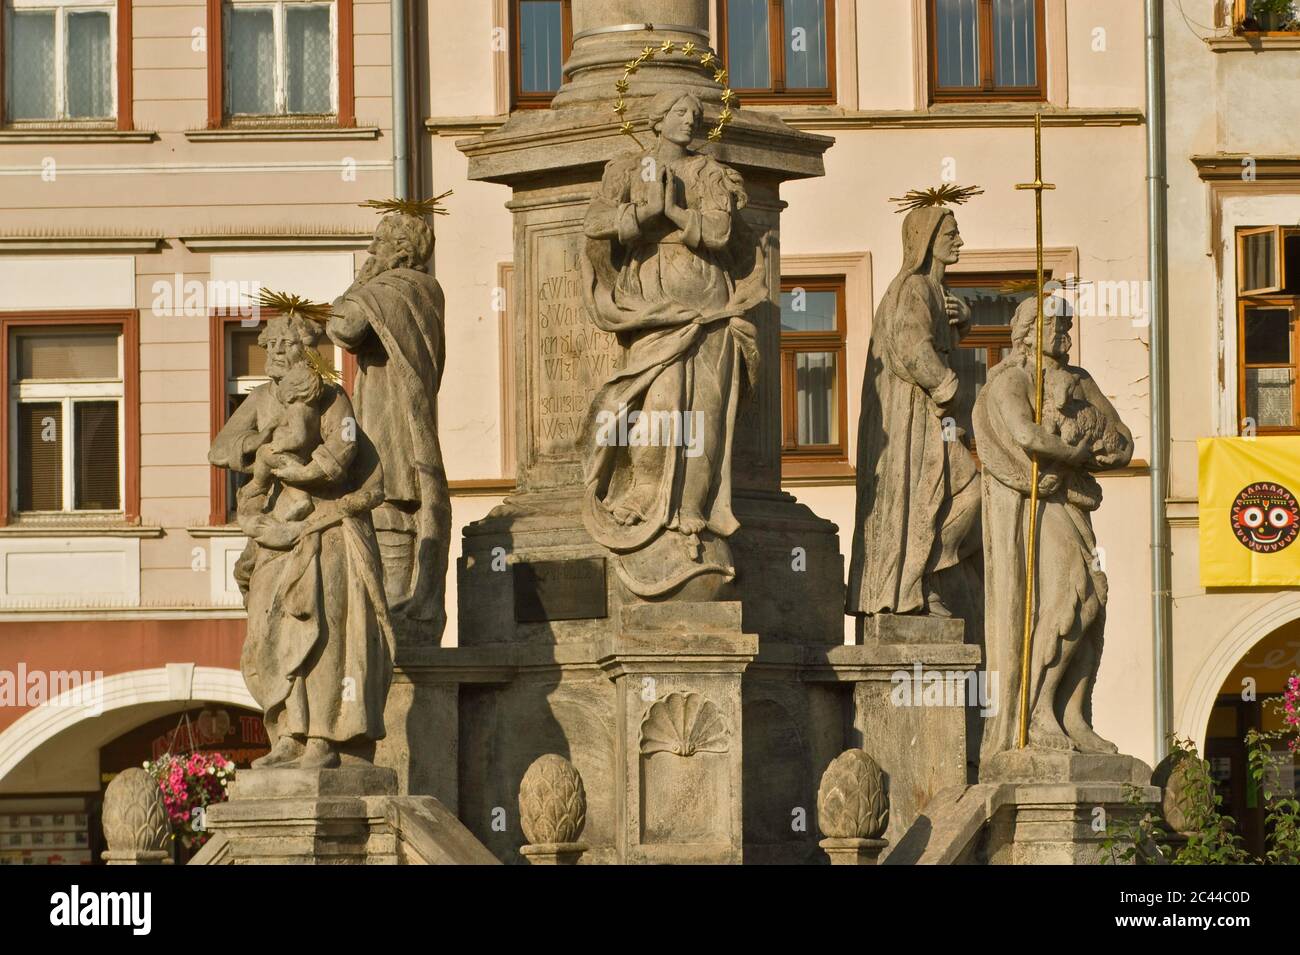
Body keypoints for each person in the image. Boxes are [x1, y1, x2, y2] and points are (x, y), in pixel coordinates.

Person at [579, 88, 768, 596]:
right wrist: (643, 215)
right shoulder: (628, 168)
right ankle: (642, 496)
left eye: (696, 114)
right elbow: (595, 222)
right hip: (651, 303)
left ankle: (691, 513)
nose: (690, 121)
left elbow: (723, 233)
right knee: (658, 404)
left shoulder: (711, 173)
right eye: (679, 113)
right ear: (657, 119)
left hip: (708, 298)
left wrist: (676, 212)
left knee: (703, 412)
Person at [210, 313, 394, 769]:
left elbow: (345, 453)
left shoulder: (332, 398)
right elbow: (219, 449)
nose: (276, 351)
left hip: (328, 530)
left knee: (323, 636)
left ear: (307, 352)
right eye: (271, 343)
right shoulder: (259, 400)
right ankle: (288, 733)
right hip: (274, 536)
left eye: (287, 344)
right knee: (270, 633)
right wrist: (266, 445)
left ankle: (323, 738)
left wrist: (304, 470)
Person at [974, 296, 1133, 757]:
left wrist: (1091, 443)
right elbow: (1026, 435)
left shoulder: (1080, 380)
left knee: (1092, 604)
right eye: (1053, 323)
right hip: (1036, 505)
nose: (1064, 329)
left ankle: (1073, 714)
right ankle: (1036, 713)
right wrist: (1076, 453)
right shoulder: (1011, 380)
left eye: (1066, 322)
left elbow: (1122, 441)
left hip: (1072, 501)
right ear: (1026, 330)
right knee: (1068, 598)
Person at [846, 206, 981, 619]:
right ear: (925, 241)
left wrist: (966, 322)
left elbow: (935, 338)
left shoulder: (936, 291)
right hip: (912, 416)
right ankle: (914, 586)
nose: (959, 241)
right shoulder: (913, 288)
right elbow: (913, 348)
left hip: (931, 415)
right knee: (943, 491)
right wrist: (947, 387)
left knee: (956, 493)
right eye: (950, 235)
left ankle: (927, 576)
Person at [328, 212, 450, 640]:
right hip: (402, 412)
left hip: (391, 414)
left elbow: (344, 327)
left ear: (401, 251)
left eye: (378, 244)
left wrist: (360, 283)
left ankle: (396, 603)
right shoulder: (425, 290)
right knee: (397, 499)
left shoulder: (397, 289)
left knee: (391, 495)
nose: (370, 252)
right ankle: (397, 601)